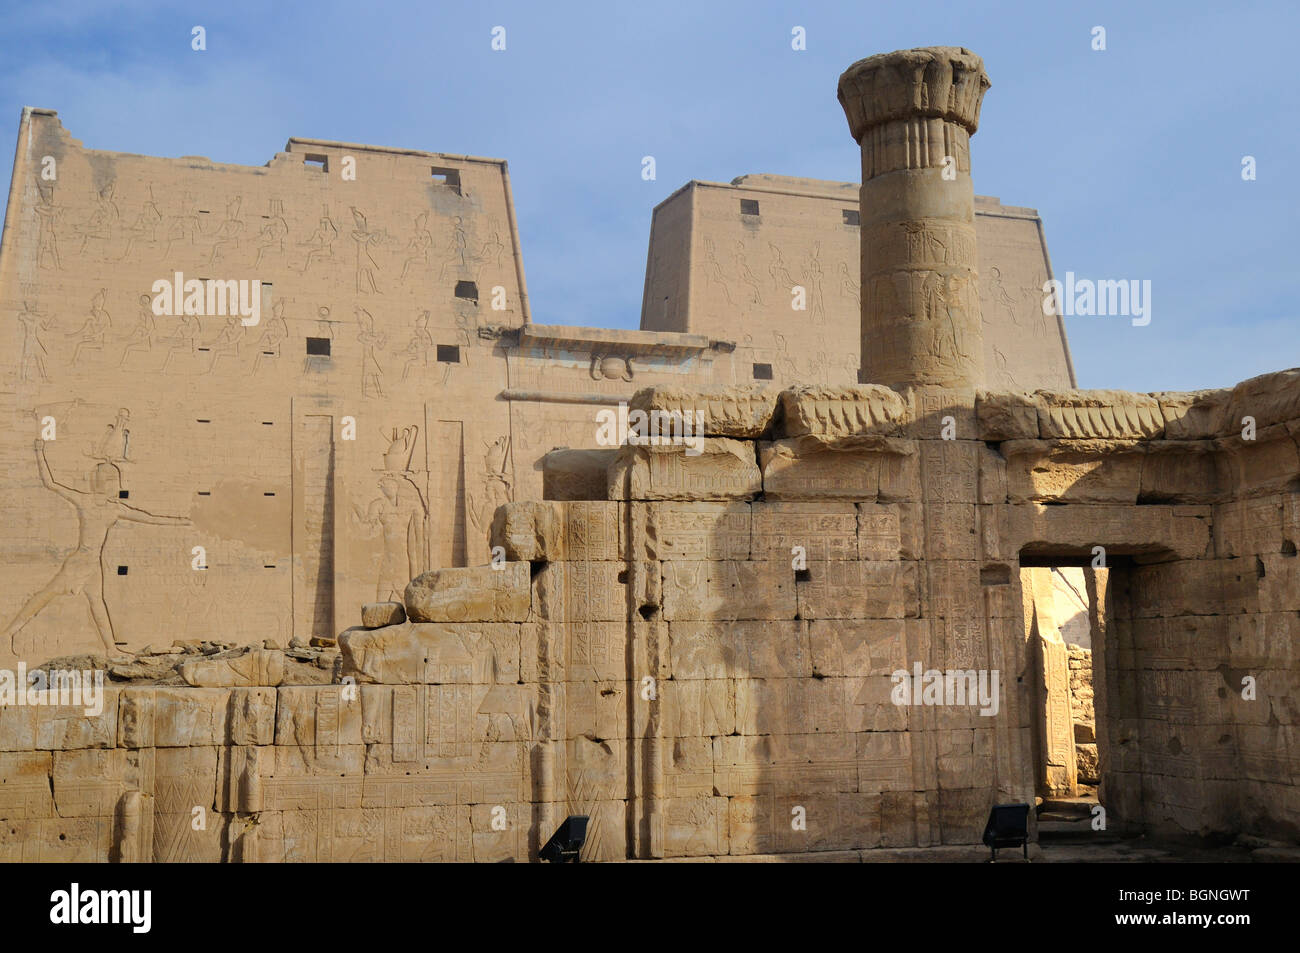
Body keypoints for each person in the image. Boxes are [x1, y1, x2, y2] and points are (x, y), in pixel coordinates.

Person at [5, 440, 191, 658]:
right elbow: (51, 483)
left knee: (96, 603)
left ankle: (111, 649)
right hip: (80, 562)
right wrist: (38, 452)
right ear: (105, 483)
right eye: (114, 481)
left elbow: (149, 519)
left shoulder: (111, 507)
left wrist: (183, 521)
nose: (118, 485)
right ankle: (8, 632)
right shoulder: (90, 502)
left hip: (93, 564)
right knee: (47, 595)